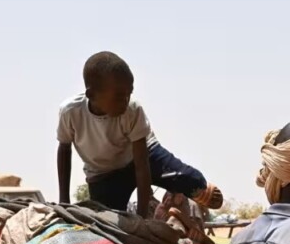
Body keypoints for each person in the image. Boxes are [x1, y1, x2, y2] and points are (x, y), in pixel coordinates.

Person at [55, 51, 209, 214]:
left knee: (196, 183)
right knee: (106, 220)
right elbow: (64, 150)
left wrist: (142, 217)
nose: (126, 101)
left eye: (130, 93)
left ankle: (174, 195)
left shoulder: (132, 110)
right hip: (104, 174)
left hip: (144, 157)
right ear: (91, 94)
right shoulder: (70, 112)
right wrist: (63, 201)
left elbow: (142, 166)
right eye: (120, 96)